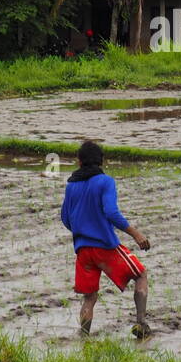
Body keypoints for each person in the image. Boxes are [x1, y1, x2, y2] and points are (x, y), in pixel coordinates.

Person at [59, 140, 152, 339]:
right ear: (101, 161)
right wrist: (136, 234)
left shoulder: (71, 185)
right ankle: (141, 324)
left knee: (89, 297)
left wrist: (82, 230)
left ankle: (84, 337)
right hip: (105, 246)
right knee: (141, 275)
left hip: (83, 250)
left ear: (79, 161)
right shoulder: (105, 181)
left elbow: (66, 219)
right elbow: (111, 212)